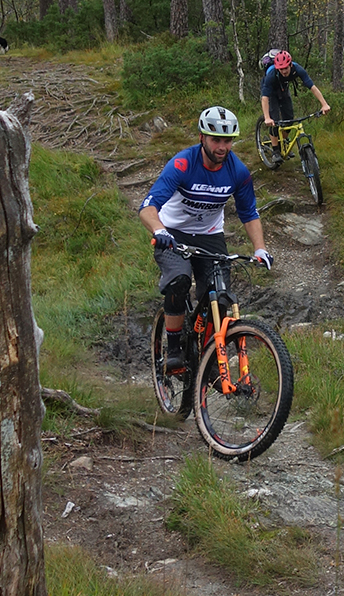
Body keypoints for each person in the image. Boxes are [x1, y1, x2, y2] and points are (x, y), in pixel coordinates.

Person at [138, 106, 274, 370]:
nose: (222, 147)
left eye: (228, 140)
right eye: (216, 140)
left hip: (209, 236)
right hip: (173, 233)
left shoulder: (238, 171)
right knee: (179, 280)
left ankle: (209, 357)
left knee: (219, 296)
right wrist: (159, 230)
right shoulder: (183, 164)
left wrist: (260, 249)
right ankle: (174, 348)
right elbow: (148, 207)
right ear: (202, 137)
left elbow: (249, 213)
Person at [260, 50, 331, 163]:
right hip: (271, 92)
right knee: (275, 121)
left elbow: (312, 87)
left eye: (286, 68)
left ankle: (283, 143)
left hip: (283, 89)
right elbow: (265, 98)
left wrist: (324, 104)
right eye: (281, 69)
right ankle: (275, 151)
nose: (284, 71)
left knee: (289, 118)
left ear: (291, 65)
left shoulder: (298, 69)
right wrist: (267, 117)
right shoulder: (271, 75)